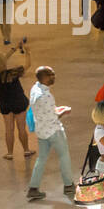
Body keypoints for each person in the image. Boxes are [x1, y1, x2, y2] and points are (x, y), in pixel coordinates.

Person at [26, 66, 76, 201]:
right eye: (51, 75)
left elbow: (45, 112)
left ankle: (33, 188)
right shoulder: (46, 96)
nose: (54, 77)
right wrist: (63, 112)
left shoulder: (34, 89)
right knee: (64, 156)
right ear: (45, 77)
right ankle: (69, 185)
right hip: (53, 131)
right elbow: (53, 118)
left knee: (41, 159)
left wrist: (56, 110)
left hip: (41, 131)